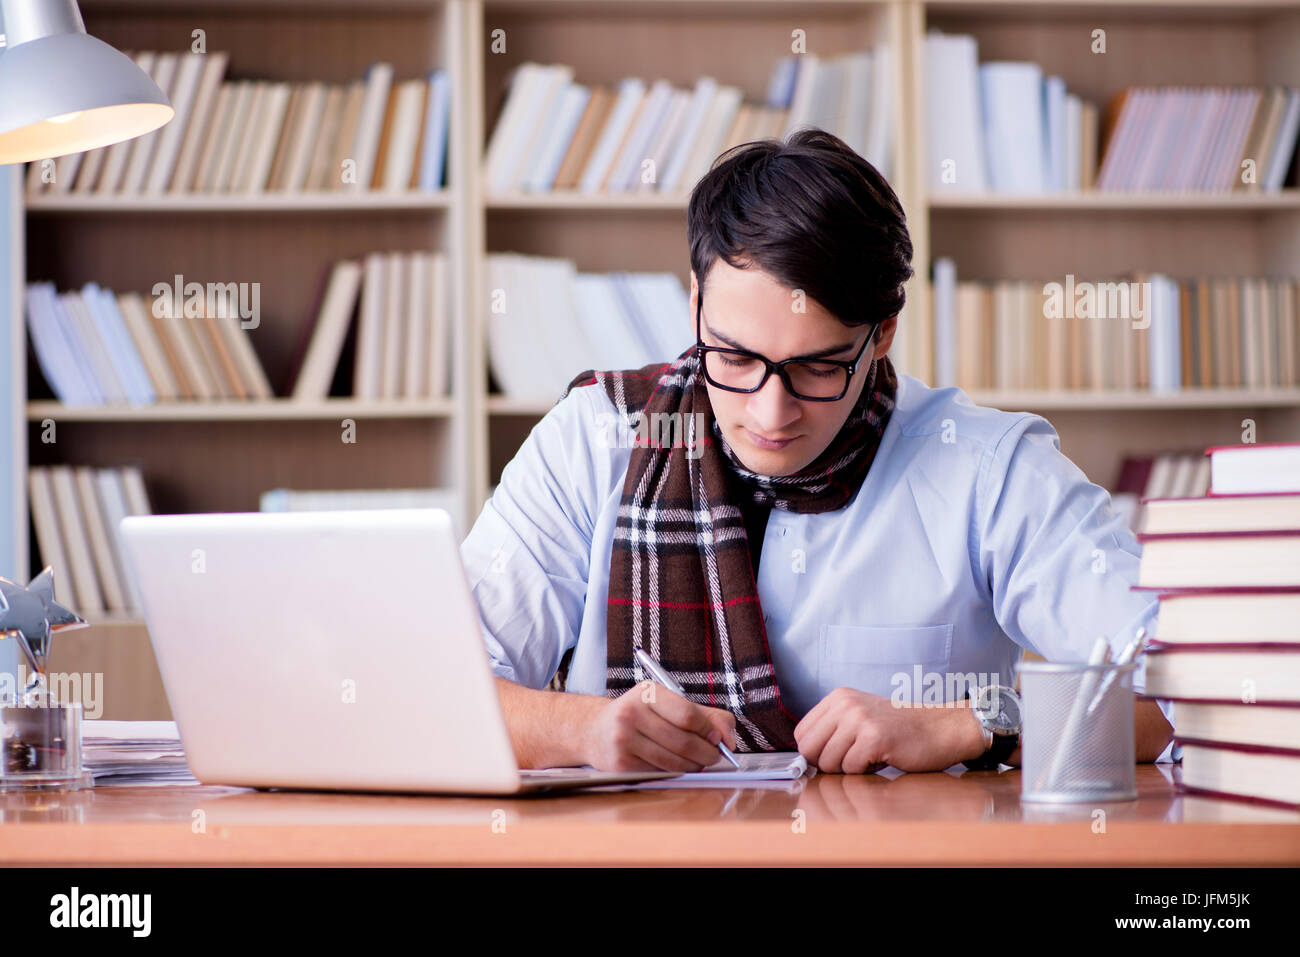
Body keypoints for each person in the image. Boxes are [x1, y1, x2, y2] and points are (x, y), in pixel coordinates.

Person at [460, 128, 1175, 774]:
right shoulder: (592, 438)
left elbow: (1185, 695)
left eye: (818, 367)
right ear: (695, 306)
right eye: (735, 358)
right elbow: (435, 686)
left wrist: (976, 722)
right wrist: (580, 730)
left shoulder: (990, 469)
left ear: (883, 334)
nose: (771, 412)